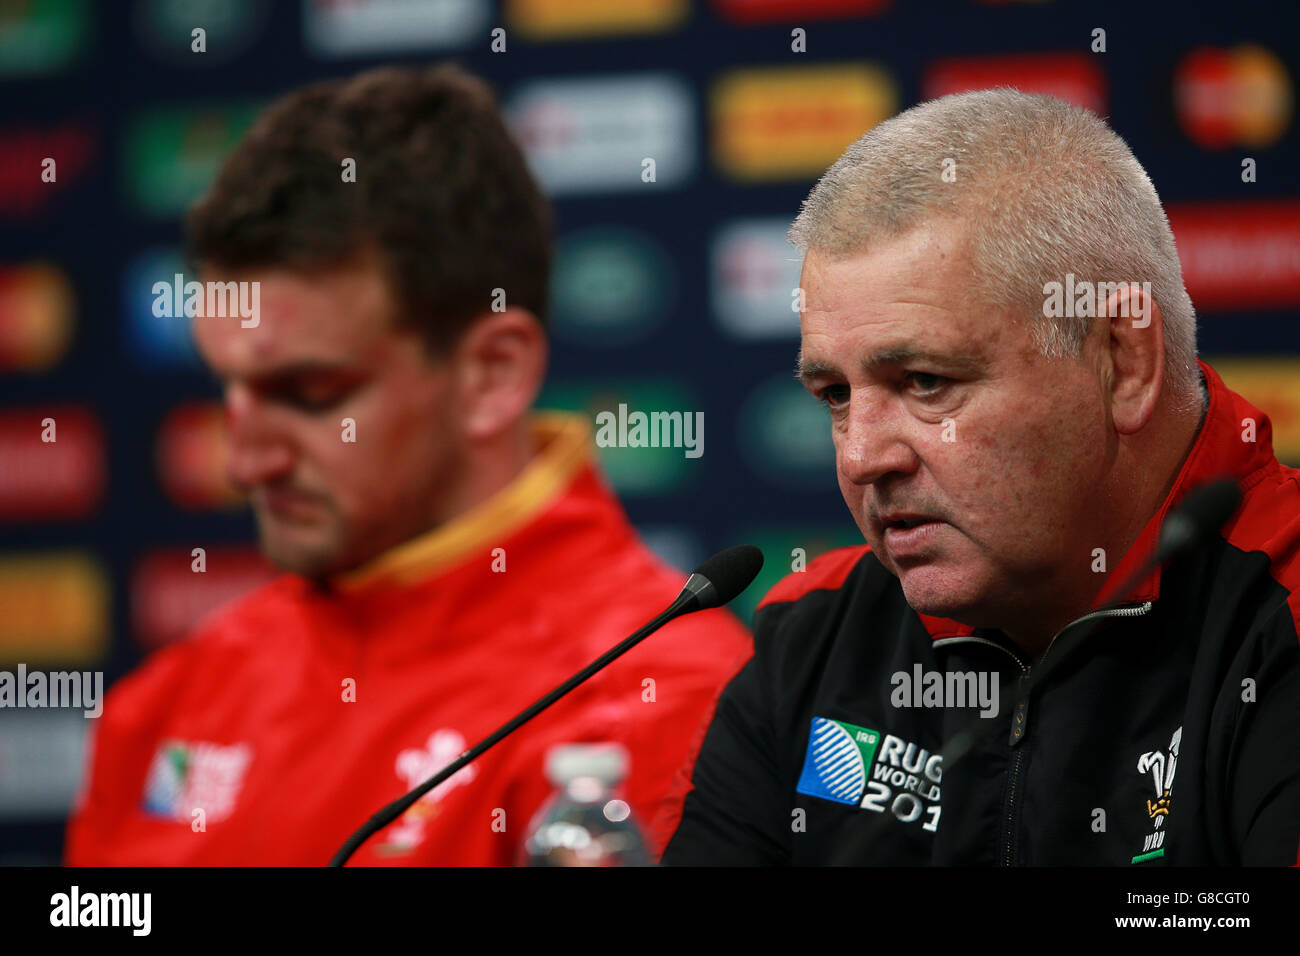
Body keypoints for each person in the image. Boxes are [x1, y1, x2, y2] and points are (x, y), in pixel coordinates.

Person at [65, 64, 751, 865]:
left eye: (311, 392)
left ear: (490, 374)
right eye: (229, 387)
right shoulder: (173, 696)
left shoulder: (657, 700)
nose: (244, 461)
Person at [657, 89, 1300, 866]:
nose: (862, 457)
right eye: (834, 395)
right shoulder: (815, 636)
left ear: (1122, 362)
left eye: (926, 382)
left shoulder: (1279, 618)